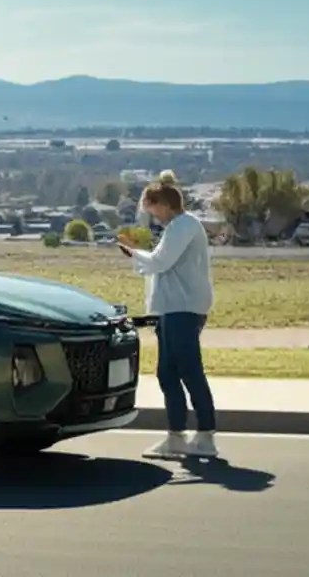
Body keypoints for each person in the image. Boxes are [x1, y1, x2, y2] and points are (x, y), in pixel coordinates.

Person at [118, 170, 219, 459]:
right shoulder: (178, 227)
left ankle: (205, 434)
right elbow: (160, 262)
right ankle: (176, 435)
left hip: (183, 308)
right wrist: (138, 255)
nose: (152, 215)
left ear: (162, 204)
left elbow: (161, 262)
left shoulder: (183, 226)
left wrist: (133, 254)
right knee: (167, 372)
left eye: (152, 208)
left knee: (188, 369)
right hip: (172, 308)